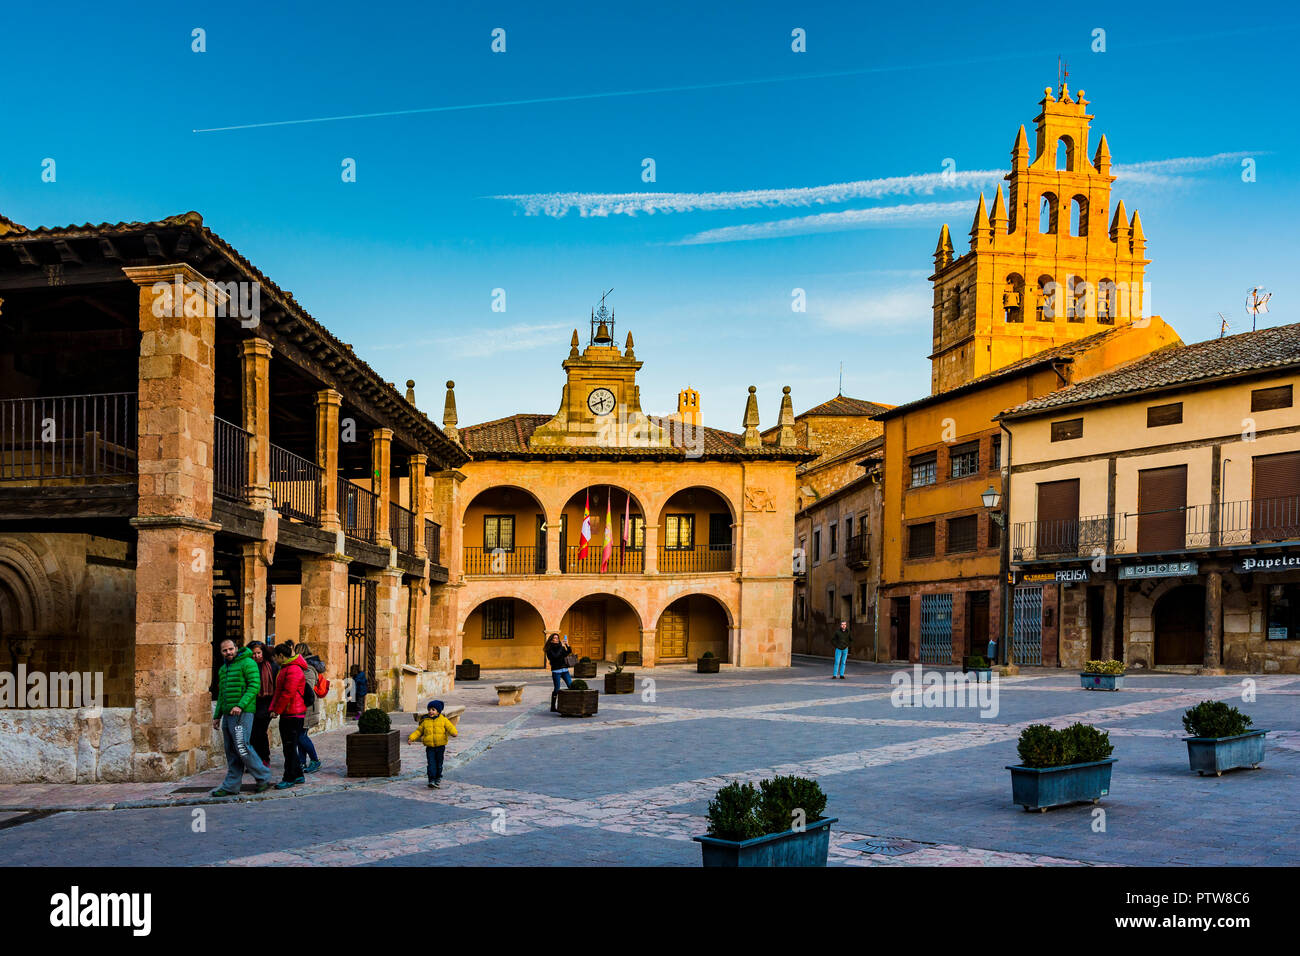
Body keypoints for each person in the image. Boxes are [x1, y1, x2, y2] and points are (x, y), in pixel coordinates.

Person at [210, 638, 272, 796]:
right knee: (231, 750)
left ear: (236, 648)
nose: (228, 652)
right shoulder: (224, 669)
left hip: (242, 713)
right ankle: (231, 785)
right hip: (228, 715)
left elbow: (254, 686)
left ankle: (263, 776)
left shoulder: (248, 663)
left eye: (231, 649)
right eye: (225, 650)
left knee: (242, 746)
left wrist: (240, 705)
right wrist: (217, 716)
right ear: (221, 652)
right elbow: (222, 694)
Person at [268, 641, 311, 789]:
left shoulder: (293, 669)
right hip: (289, 712)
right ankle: (298, 774)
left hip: (293, 713)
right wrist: (274, 708)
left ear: (281, 656)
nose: (275, 660)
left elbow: (288, 693)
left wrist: (277, 710)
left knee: (289, 747)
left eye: (275, 657)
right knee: (290, 746)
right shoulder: (286, 668)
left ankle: (289, 777)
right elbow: (279, 691)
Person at [407, 699, 458, 788]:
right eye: (429, 709)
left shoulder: (444, 720)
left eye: (433, 709)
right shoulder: (425, 721)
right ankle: (431, 779)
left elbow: (450, 727)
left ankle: (438, 776)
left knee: (439, 763)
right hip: (430, 747)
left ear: (438, 711)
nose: (431, 711)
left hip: (440, 746)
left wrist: (454, 733)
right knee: (431, 763)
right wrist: (411, 738)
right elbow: (419, 731)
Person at [295, 642, 325, 774]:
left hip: (307, 706)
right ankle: (302, 762)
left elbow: (307, 688)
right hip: (305, 706)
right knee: (301, 735)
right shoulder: (306, 667)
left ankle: (315, 760)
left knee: (301, 736)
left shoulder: (307, 668)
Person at [248, 640, 275, 767]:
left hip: (267, 704)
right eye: (254, 654)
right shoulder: (247, 666)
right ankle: (255, 759)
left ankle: (264, 758)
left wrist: (275, 707)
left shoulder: (272, 666)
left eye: (259, 653)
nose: (256, 656)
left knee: (261, 732)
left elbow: (277, 687)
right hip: (251, 704)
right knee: (252, 733)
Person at [544, 632, 574, 712]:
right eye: (555, 638)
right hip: (556, 670)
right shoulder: (549, 649)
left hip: (565, 670)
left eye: (557, 638)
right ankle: (553, 707)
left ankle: (572, 704)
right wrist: (561, 646)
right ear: (551, 640)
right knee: (557, 689)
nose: (557, 639)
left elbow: (568, 653)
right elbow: (555, 656)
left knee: (571, 686)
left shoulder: (560, 647)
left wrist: (567, 645)